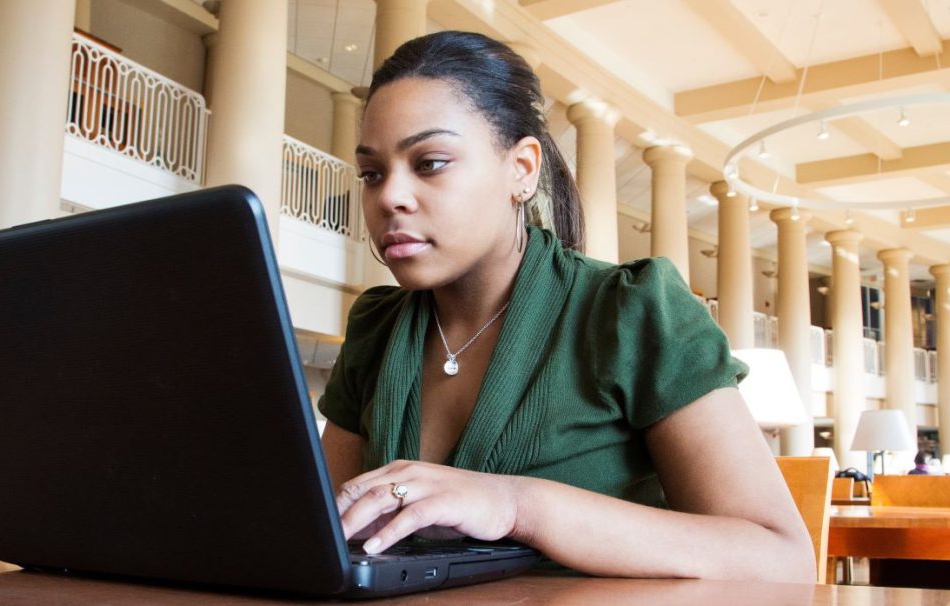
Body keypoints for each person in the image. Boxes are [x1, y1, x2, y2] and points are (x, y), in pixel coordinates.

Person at [317, 31, 814, 582]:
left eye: (430, 162)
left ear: (522, 169)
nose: (389, 197)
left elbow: (782, 558)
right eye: (372, 174)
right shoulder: (377, 328)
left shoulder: (631, 311)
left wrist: (516, 505)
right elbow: (321, 536)